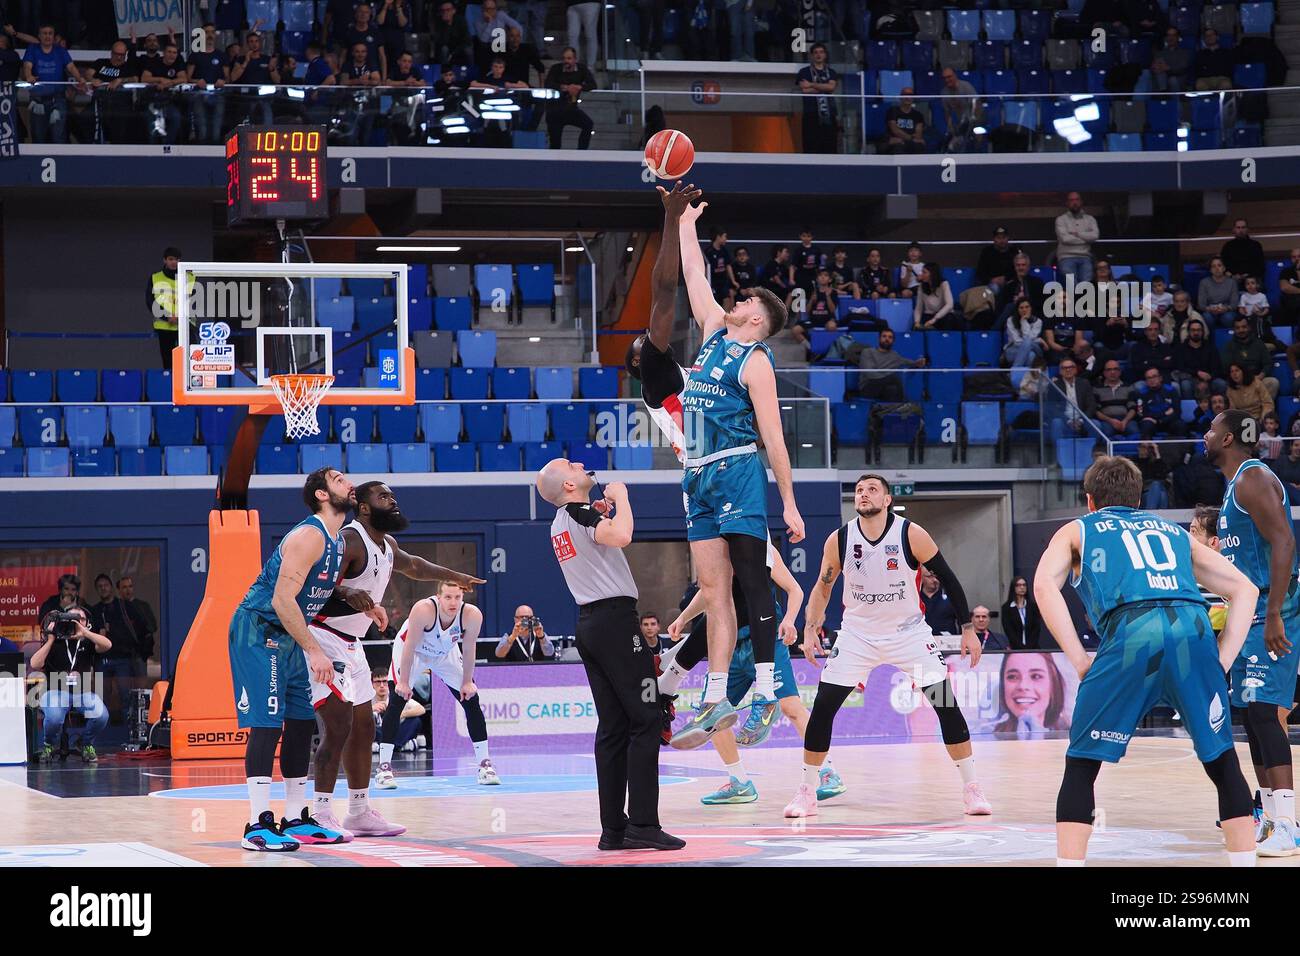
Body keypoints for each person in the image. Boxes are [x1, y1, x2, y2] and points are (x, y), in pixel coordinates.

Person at [1033, 454, 1259, 866]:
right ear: (1138, 498)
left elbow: (1044, 586)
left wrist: (1081, 661)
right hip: (1193, 633)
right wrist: (1222, 660)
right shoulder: (1172, 531)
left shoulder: (1077, 529)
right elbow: (1245, 590)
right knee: (1222, 759)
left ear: (1090, 500)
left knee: (1082, 764)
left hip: (1131, 631)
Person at [670, 186, 805, 750]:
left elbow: (775, 439)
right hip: (696, 474)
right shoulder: (712, 332)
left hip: (737, 468)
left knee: (752, 579)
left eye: (745, 299)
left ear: (757, 319)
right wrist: (683, 219)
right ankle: (716, 695)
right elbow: (694, 274)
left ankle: (770, 687)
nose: (735, 299)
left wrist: (791, 503)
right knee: (711, 585)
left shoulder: (756, 361)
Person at [783, 474, 991, 818]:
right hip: (857, 637)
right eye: (860, 490)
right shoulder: (841, 538)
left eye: (872, 490)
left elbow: (951, 580)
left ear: (888, 499)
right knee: (822, 709)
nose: (864, 494)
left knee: (945, 705)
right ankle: (807, 791)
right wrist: (811, 628)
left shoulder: (911, 534)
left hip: (909, 636)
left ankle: (972, 788)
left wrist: (968, 628)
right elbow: (822, 587)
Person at [306, 481, 483, 835]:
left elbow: (414, 566)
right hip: (324, 638)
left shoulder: (387, 544)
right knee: (338, 726)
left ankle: (358, 811)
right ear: (366, 507)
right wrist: (349, 591)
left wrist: (454, 576)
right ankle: (320, 813)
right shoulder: (349, 539)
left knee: (365, 727)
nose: (393, 501)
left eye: (393, 496)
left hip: (353, 642)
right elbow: (316, 584)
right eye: (384, 497)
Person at [536, 458, 684, 851]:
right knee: (648, 717)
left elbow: (595, 535)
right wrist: (621, 498)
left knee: (614, 727)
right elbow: (621, 536)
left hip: (590, 625)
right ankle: (643, 823)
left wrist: (601, 510)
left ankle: (613, 830)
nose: (581, 464)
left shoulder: (561, 522)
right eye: (571, 464)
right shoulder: (581, 513)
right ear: (568, 485)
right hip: (616, 623)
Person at [227, 468, 356, 852]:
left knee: (301, 722)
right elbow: (283, 599)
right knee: (267, 723)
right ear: (321, 494)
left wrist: (361, 601)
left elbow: (312, 595)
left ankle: (297, 817)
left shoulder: (337, 542)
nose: (348, 481)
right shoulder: (309, 536)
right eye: (338, 478)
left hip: (290, 634)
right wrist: (315, 649)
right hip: (259, 628)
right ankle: (257, 824)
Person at [665, 539, 845, 805]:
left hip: (765, 641)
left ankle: (827, 771)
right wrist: (683, 617)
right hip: (730, 647)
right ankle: (739, 782)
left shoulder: (763, 550)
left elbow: (795, 590)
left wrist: (788, 620)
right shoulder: (715, 553)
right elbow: (708, 592)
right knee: (713, 713)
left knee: (791, 707)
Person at [1205, 409, 1300, 854]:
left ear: (1227, 439)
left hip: (1272, 610)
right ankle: (1267, 816)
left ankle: (1289, 822)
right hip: (1248, 611)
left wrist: (1277, 611)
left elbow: (1284, 541)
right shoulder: (1234, 485)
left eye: (1210, 429)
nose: (1204, 435)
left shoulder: (1253, 478)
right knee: (1251, 716)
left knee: (1265, 713)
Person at [384, 581, 498, 789]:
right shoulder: (423, 610)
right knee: (397, 699)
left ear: (463, 597)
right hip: (414, 652)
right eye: (448, 597)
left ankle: (485, 765)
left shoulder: (471, 615)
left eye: (457, 597)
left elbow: (470, 648)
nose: (453, 602)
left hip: (445, 654)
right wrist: (403, 681)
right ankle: (384, 768)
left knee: (471, 698)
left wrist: (466, 682)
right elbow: (409, 647)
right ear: (438, 597)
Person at [32, 605, 112, 762]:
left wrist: (85, 633)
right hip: (56, 691)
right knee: (54, 717)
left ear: (86, 622)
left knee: (101, 715)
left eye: (80, 618)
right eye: (72, 618)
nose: (76, 621)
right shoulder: (55, 642)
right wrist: (51, 639)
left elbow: (107, 645)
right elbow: (35, 663)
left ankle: (85, 743)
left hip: (82, 693)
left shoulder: (88, 642)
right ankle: (49, 744)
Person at [22, 23, 82, 143]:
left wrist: (80, 78)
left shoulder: (60, 51)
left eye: (50, 33)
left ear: (54, 36)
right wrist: (29, 76)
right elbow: (27, 65)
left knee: (58, 137)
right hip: (38, 100)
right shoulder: (33, 49)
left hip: (58, 100)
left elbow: (71, 67)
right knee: (38, 137)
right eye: (44, 33)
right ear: (39, 35)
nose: (47, 36)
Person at [987, 652, 1070, 735]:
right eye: (1013, 676)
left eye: (1036, 676)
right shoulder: (987, 738)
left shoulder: (1072, 736)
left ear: (1053, 684)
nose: (1023, 686)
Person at [543, 47, 595, 149]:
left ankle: (581, 154)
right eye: (564, 58)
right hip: (555, 111)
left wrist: (579, 87)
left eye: (569, 58)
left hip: (571, 109)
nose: (566, 61)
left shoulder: (582, 69)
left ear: (575, 59)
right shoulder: (555, 68)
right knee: (555, 144)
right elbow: (548, 84)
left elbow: (593, 85)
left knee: (588, 124)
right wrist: (566, 88)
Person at [797, 43, 838, 154]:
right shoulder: (804, 72)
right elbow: (805, 90)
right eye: (815, 52)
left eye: (821, 52)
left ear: (825, 55)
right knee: (811, 145)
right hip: (811, 113)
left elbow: (831, 87)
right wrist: (824, 87)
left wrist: (811, 84)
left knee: (829, 145)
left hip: (829, 113)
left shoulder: (831, 72)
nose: (818, 55)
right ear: (811, 56)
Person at [146, 247, 183, 368]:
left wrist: (179, 317)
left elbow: (192, 301)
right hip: (164, 326)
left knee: (186, 362)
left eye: (177, 259)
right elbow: (150, 301)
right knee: (168, 363)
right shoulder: (155, 277)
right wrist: (167, 317)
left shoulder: (188, 277)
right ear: (165, 260)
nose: (174, 262)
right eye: (171, 259)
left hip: (184, 327)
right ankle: (170, 386)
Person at [1174, 317, 1226, 400]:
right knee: (1185, 385)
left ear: (1202, 332)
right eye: (1193, 330)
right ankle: (1190, 410)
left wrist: (1208, 379)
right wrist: (1197, 373)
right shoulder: (1181, 348)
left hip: (1209, 379)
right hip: (1190, 379)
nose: (1196, 333)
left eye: (1198, 330)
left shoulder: (1210, 347)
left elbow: (1217, 368)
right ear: (1188, 332)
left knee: (1221, 384)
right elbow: (1180, 368)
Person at [1054, 191, 1099, 285]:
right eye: (1071, 200)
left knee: (1087, 288)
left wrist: (1077, 234)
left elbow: (1095, 236)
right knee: (1071, 287)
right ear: (1067, 203)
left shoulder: (1090, 219)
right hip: (1066, 258)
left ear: (1081, 202)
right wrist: (1086, 238)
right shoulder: (1061, 220)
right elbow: (1065, 239)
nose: (1074, 202)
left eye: (1077, 199)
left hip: (1085, 257)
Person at [1002, 298, 1045, 368]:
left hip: (1035, 349)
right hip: (1013, 349)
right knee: (1031, 355)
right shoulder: (1010, 320)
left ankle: (1015, 371)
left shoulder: (1038, 321)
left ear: (1031, 308)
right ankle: (1025, 377)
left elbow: (1028, 338)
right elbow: (1017, 342)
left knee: (1028, 343)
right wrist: (1038, 340)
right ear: (1017, 309)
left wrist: (1023, 322)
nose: (1024, 310)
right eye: (1021, 308)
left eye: (1027, 307)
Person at [1199, 257, 1240, 329]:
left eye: (1219, 265)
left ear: (1224, 268)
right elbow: (1201, 304)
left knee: (1228, 317)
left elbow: (1234, 304)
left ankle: (1228, 338)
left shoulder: (1232, 282)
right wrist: (1210, 309)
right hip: (1210, 311)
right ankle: (1210, 338)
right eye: (1213, 266)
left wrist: (1226, 308)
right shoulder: (1204, 282)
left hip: (1227, 311)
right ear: (1210, 270)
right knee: (1207, 317)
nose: (1217, 268)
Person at [911, 262, 954, 330]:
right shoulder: (921, 287)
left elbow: (949, 305)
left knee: (949, 319)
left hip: (943, 315)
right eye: (922, 272)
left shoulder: (944, 284)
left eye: (924, 272)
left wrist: (934, 319)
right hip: (929, 315)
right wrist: (917, 322)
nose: (922, 275)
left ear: (932, 274)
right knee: (918, 327)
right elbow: (919, 307)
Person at [1001, 576, 1040, 650]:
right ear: (1013, 587)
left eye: (1024, 585)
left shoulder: (1033, 607)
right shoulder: (1006, 608)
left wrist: (1029, 647)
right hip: (1015, 649)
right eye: (1018, 585)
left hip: (1033, 649)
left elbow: (1036, 629)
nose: (1022, 587)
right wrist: (1020, 648)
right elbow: (1009, 630)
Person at [1223, 218, 1266, 285]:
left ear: (1247, 229)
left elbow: (1260, 266)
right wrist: (1232, 276)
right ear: (1234, 230)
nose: (1241, 230)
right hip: (1232, 279)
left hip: (1252, 279)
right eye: (1238, 227)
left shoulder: (1256, 245)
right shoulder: (1227, 246)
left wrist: (1246, 275)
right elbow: (1223, 265)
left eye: (1243, 227)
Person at [919, 565, 959, 635]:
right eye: (929, 576)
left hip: (947, 641)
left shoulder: (951, 595)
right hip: (922, 640)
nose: (934, 580)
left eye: (936, 576)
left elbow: (962, 620)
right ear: (921, 577)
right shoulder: (915, 596)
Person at [883, 86, 925, 154]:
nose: (907, 97)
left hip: (908, 142)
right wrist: (911, 139)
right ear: (900, 97)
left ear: (913, 98)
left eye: (910, 95)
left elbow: (918, 134)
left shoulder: (918, 115)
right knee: (898, 147)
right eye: (905, 94)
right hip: (897, 142)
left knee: (919, 147)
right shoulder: (892, 111)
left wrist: (908, 140)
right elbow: (895, 130)